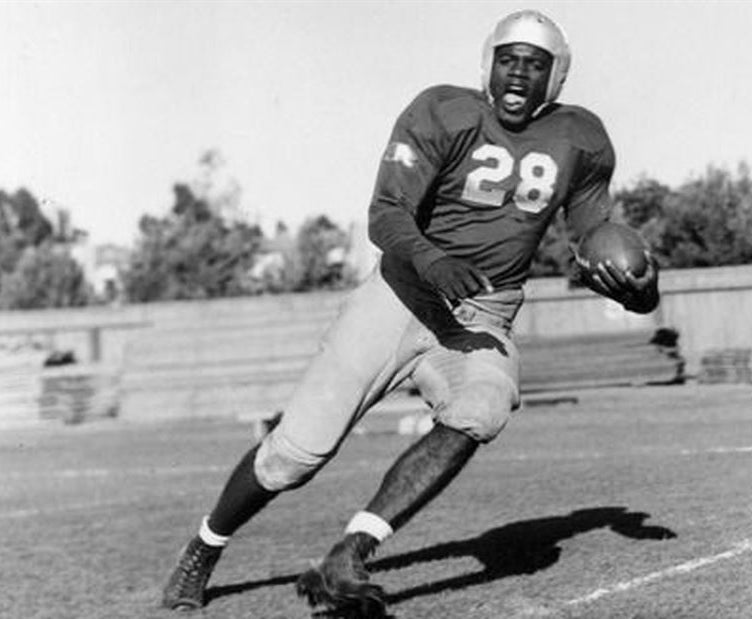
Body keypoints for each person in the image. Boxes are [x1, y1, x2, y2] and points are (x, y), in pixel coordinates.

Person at [161, 9, 659, 617]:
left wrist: (635, 290)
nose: (519, 74)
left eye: (535, 65)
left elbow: (593, 237)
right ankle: (204, 546)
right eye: (509, 60)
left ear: (556, 77)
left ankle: (351, 552)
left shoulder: (580, 138)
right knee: (292, 458)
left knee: (483, 408)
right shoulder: (442, 111)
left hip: (480, 315)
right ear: (488, 63)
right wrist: (433, 260)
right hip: (400, 296)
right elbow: (386, 213)